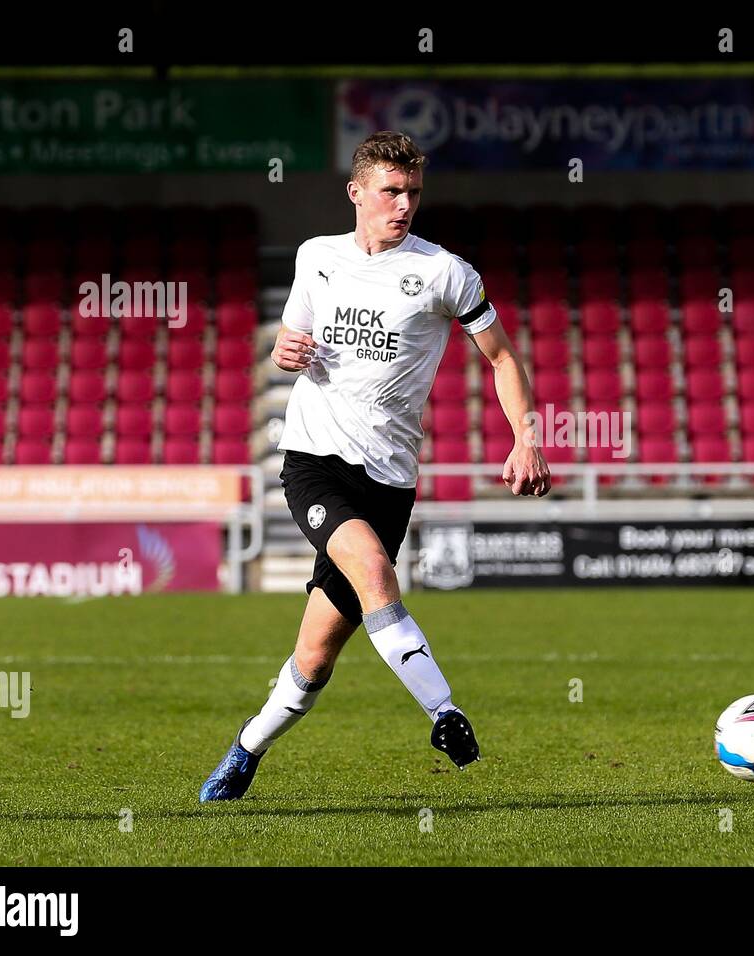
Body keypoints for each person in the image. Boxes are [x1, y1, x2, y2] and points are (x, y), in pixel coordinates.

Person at [200, 131, 550, 802]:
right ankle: (443, 711)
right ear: (357, 193)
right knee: (374, 570)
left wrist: (525, 437)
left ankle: (245, 751)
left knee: (314, 659)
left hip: (388, 478)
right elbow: (288, 344)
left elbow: (502, 357)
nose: (404, 204)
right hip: (313, 458)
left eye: (413, 192)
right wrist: (285, 354)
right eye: (391, 191)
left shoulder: (446, 273)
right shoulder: (316, 256)